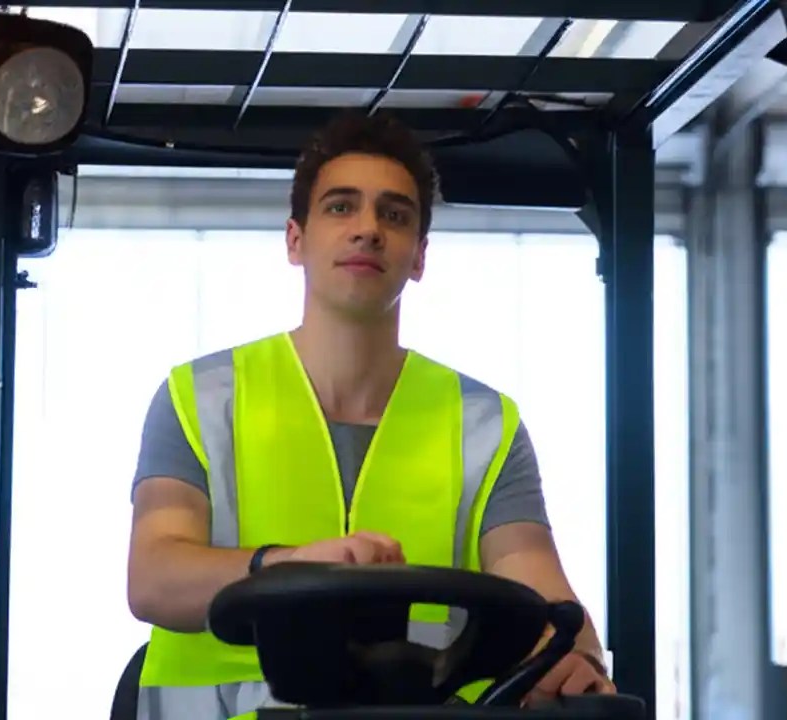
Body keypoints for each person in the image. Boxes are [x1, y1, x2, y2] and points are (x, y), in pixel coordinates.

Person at [125, 110, 613, 720]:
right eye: (341, 207)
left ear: (419, 256)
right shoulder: (198, 398)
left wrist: (580, 658)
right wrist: (288, 566)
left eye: (395, 215)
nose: (368, 230)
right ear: (295, 241)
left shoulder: (484, 425)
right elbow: (154, 577)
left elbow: (542, 591)